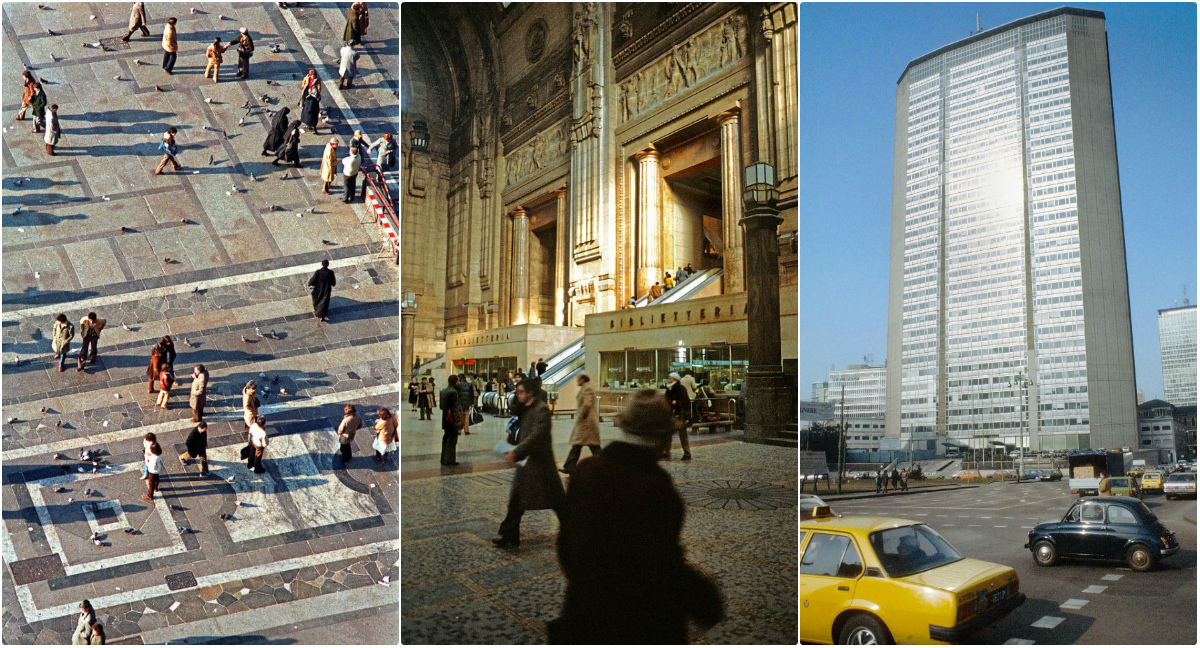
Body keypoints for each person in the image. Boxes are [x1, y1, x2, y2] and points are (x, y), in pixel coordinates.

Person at [550, 389, 723, 644]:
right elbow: (663, 568)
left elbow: (565, 547)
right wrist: (707, 602)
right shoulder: (658, 491)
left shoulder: (585, 472)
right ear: (663, 440)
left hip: (582, 619)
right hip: (637, 627)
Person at [493, 377, 565, 548]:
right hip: (527, 462)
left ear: (530, 393)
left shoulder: (541, 410)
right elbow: (513, 410)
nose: (517, 395)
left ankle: (574, 531)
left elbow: (536, 435)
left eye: (520, 392)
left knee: (558, 502)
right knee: (516, 500)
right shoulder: (525, 408)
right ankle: (510, 536)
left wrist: (517, 452)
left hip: (541, 464)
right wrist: (517, 399)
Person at [561, 373, 601, 474]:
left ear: (583, 380)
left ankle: (603, 465)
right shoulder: (586, 387)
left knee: (588, 445)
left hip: (586, 423)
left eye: (578, 379)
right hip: (585, 423)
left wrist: (582, 416)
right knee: (579, 445)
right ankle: (569, 467)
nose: (576, 381)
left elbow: (587, 404)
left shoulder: (587, 388)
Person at [664, 372, 692, 461]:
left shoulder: (680, 388)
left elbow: (686, 402)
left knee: (682, 434)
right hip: (671, 414)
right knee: (668, 433)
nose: (669, 380)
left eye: (670, 378)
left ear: (675, 379)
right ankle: (666, 451)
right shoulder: (669, 388)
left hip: (680, 414)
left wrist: (687, 416)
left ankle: (687, 453)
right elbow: (666, 400)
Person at [439, 376, 461, 466]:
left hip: (445, 418)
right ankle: (450, 460)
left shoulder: (443, 391)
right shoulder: (454, 392)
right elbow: (455, 407)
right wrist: (457, 420)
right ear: (455, 382)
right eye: (458, 381)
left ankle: (444, 459)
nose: (459, 382)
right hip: (452, 419)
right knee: (452, 440)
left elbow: (441, 406)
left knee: (446, 438)